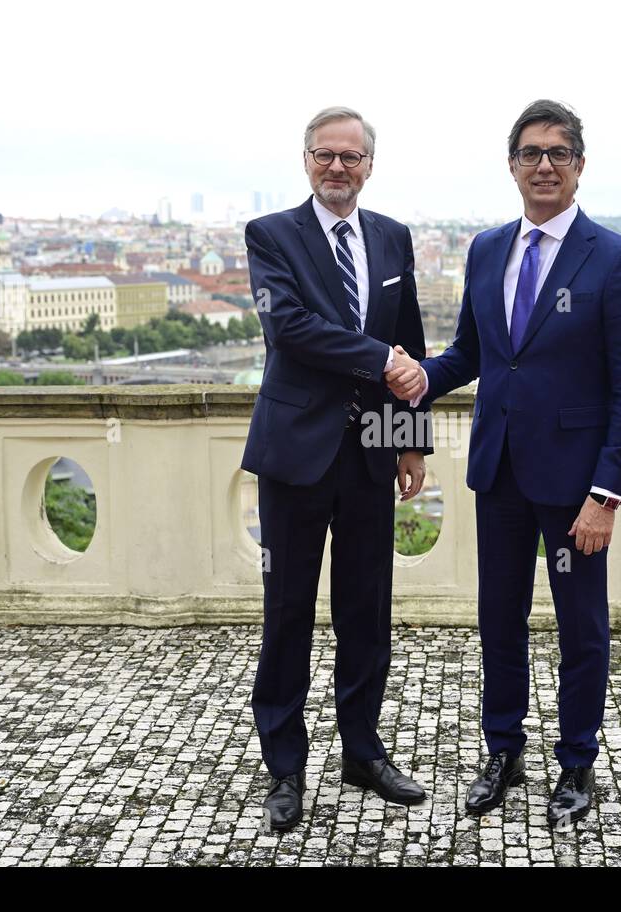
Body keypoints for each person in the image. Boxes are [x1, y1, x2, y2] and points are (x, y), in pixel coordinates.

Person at [387, 99, 621, 827]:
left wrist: (607, 494)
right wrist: (419, 378)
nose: (544, 165)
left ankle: (576, 763)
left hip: (575, 488)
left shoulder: (614, 258)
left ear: (578, 167)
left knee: (581, 629)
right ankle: (502, 751)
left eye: (558, 153)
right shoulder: (486, 249)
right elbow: (475, 354)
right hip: (499, 473)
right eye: (531, 153)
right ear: (512, 165)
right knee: (498, 621)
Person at [242, 106, 431, 831]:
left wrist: (409, 439)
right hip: (295, 453)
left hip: (368, 456)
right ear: (306, 161)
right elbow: (286, 328)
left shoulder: (391, 237)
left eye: (351, 158)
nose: (338, 168)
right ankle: (285, 769)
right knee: (287, 614)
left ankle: (362, 751)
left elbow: (408, 341)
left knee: (366, 612)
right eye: (326, 156)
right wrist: (378, 358)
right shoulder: (272, 236)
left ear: (369, 165)